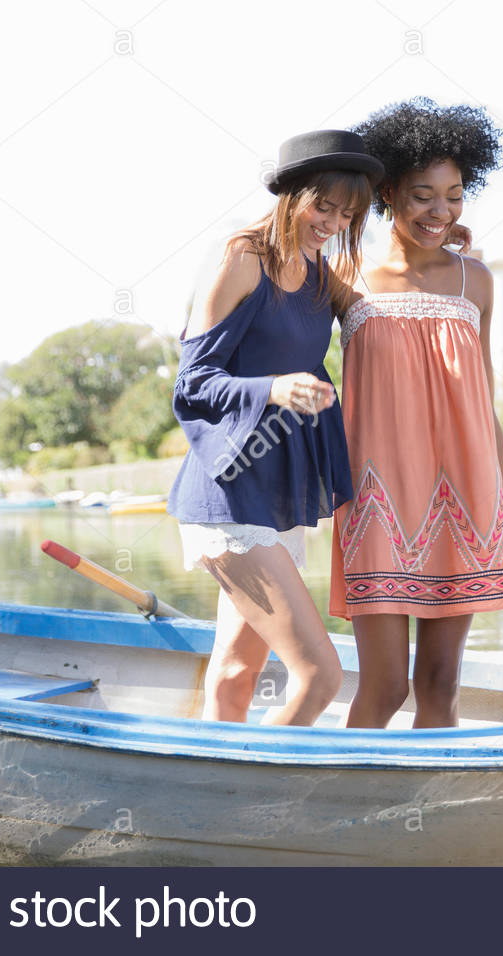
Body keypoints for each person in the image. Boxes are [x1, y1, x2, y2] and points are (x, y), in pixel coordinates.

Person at [330, 99, 503, 729]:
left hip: (467, 502)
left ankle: (423, 817)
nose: (440, 211)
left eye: (454, 196)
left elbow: (485, 413)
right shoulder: (346, 278)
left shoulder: (474, 282)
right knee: (384, 685)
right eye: (423, 195)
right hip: (376, 502)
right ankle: (349, 812)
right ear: (389, 192)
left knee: (440, 682)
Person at [168, 130, 382, 727]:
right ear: (291, 193)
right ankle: (267, 800)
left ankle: (214, 786)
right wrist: (273, 388)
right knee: (320, 674)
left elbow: (380, 309)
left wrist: (442, 256)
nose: (332, 222)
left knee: (236, 675)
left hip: (276, 498)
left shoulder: (317, 269)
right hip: (228, 497)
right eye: (323, 205)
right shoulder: (242, 257)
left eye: (347, 214)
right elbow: (191, 383)